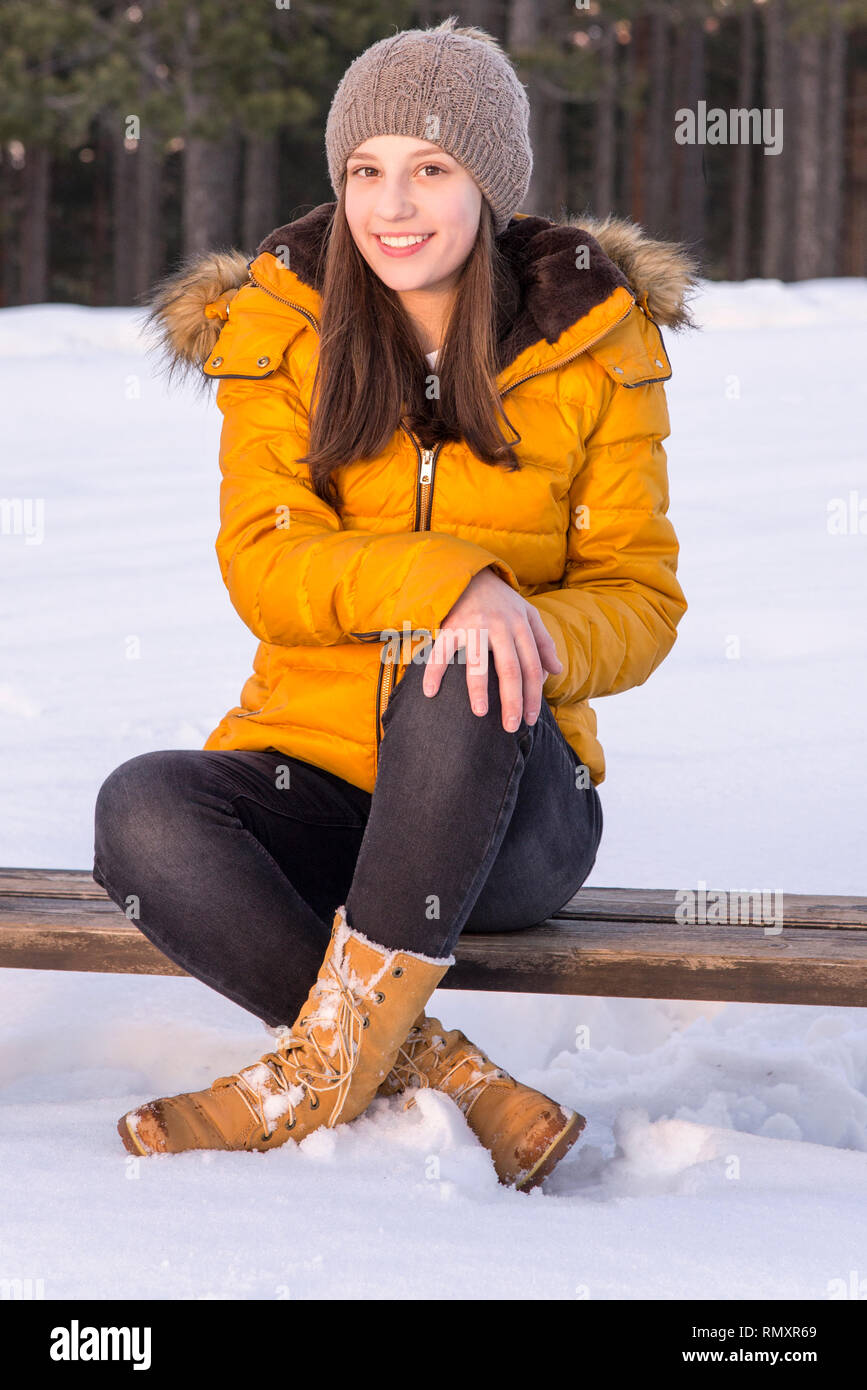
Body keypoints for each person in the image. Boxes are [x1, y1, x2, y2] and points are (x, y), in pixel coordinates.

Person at [93, 17, 695, 1191]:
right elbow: (268, 563)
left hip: (518, 809)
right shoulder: (278, 329)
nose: (392, 204)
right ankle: (453, 1078)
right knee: (143, 812)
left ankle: (302, 1082)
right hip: (315, 779)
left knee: (460, 669)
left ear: (492, 184)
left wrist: (521, 627)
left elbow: (641, 597)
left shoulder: (594, 343)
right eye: (366, 169)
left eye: (431, 167)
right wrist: (453, 582)